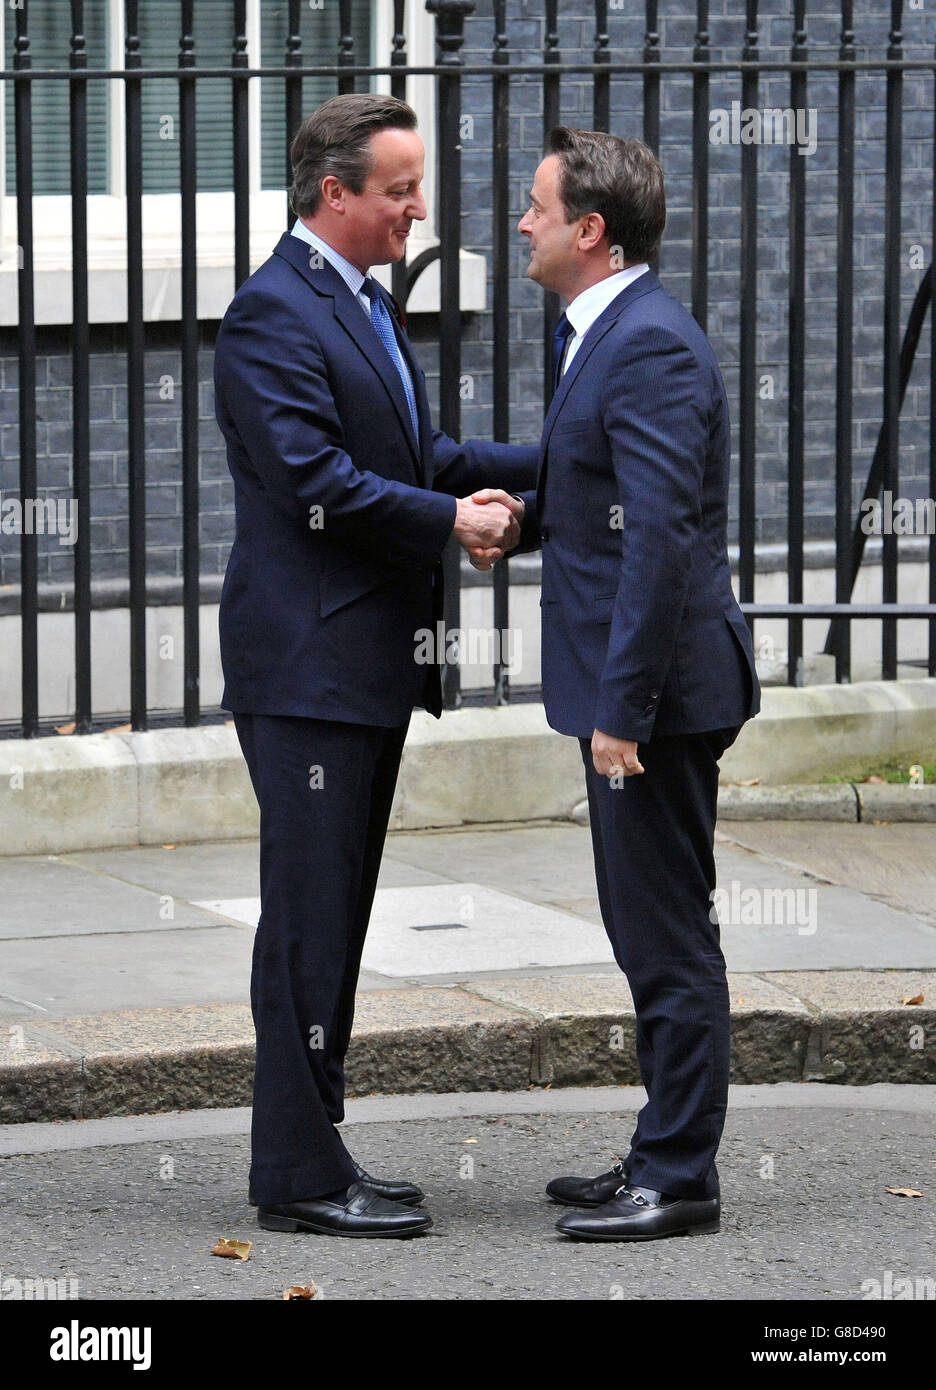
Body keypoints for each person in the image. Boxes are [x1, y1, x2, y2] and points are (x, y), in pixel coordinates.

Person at [213, 93, 536, 1238]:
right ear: (331, 192)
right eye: (398, 188)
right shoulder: (271, 313)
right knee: (308, 919)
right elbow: (318, 485)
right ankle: (298, 1175)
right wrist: (457, 520)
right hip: (306, 665)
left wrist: (564, 459)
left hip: (356, 662)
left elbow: (420, 456)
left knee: (337, 912)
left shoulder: (358, 299)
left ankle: (317, 1145)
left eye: (416, 186)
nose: (416, 207)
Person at [510, 127, 760, 1240]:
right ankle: (661, 1148)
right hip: (638, 691)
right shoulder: (608, 334)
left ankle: (681, 1175)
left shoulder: (647, 343)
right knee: (644, 926)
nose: (523, 223)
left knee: (665, 934)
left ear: (590, 231)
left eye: (536, 205)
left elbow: (658, 540)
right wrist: (494, 509)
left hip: (654, 700)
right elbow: (594, 487)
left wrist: (623, 710)